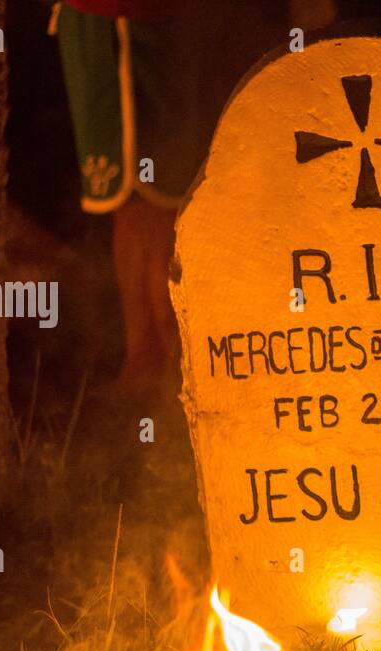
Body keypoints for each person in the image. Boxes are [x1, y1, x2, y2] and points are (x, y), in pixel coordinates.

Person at [52, 1, 285, 395]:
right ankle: (142, 357)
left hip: (159, 23)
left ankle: (179, 356)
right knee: (123, 201)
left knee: (167, 197)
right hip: (98, 24)